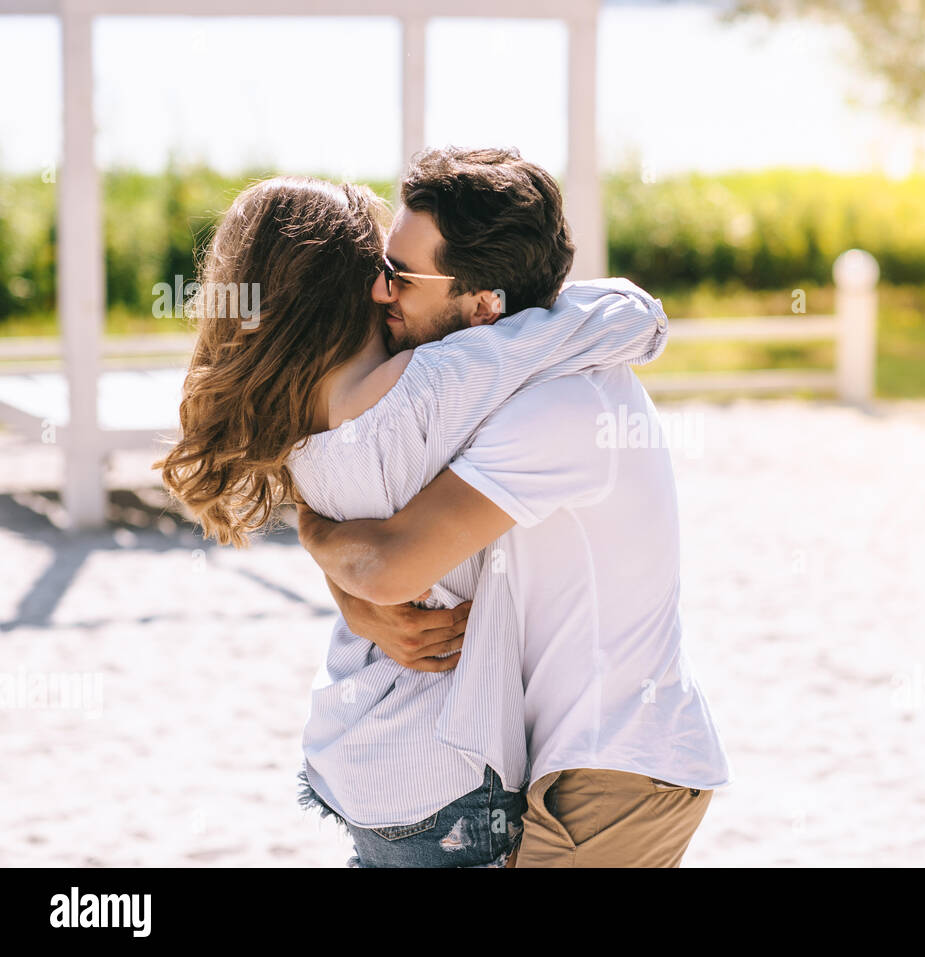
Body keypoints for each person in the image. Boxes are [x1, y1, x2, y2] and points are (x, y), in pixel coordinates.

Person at [156, 160, 670, 867]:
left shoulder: (289, 429)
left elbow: (346, 541)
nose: (384, 285)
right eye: (380, 268)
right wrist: (641, 310)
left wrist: (335, 566)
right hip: (447, 775)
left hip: (352, 753)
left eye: (397, 273)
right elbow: (589, 326)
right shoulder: (430, 389)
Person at [296, 148, 731, 868]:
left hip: (612, 771)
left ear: (485, 305)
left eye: (402, 275)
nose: (380, 292)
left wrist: (316, 534)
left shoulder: (558, 408)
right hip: (571, 762)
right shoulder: (498, 386)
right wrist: (357, 600)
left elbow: (391, 559)